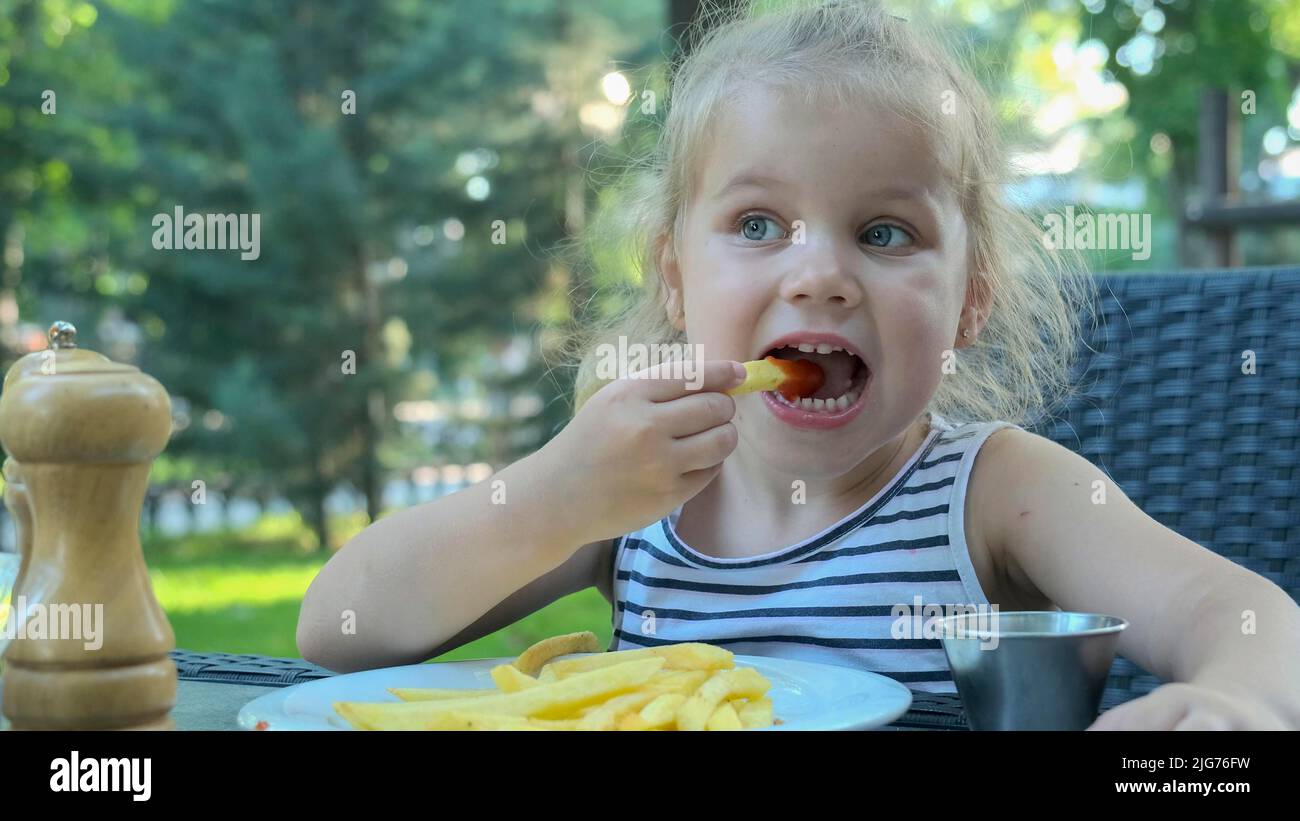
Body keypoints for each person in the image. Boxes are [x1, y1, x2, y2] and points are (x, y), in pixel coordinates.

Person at [297, 0, 1300, 729]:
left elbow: (1245, 612)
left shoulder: (997, 492)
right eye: (758, 222)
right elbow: (340, 626)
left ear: (971, 297)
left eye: (883, 230)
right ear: (677, 277)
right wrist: (558, 493)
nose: (818, 273)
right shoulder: (631, 492)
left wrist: (1233, 696)